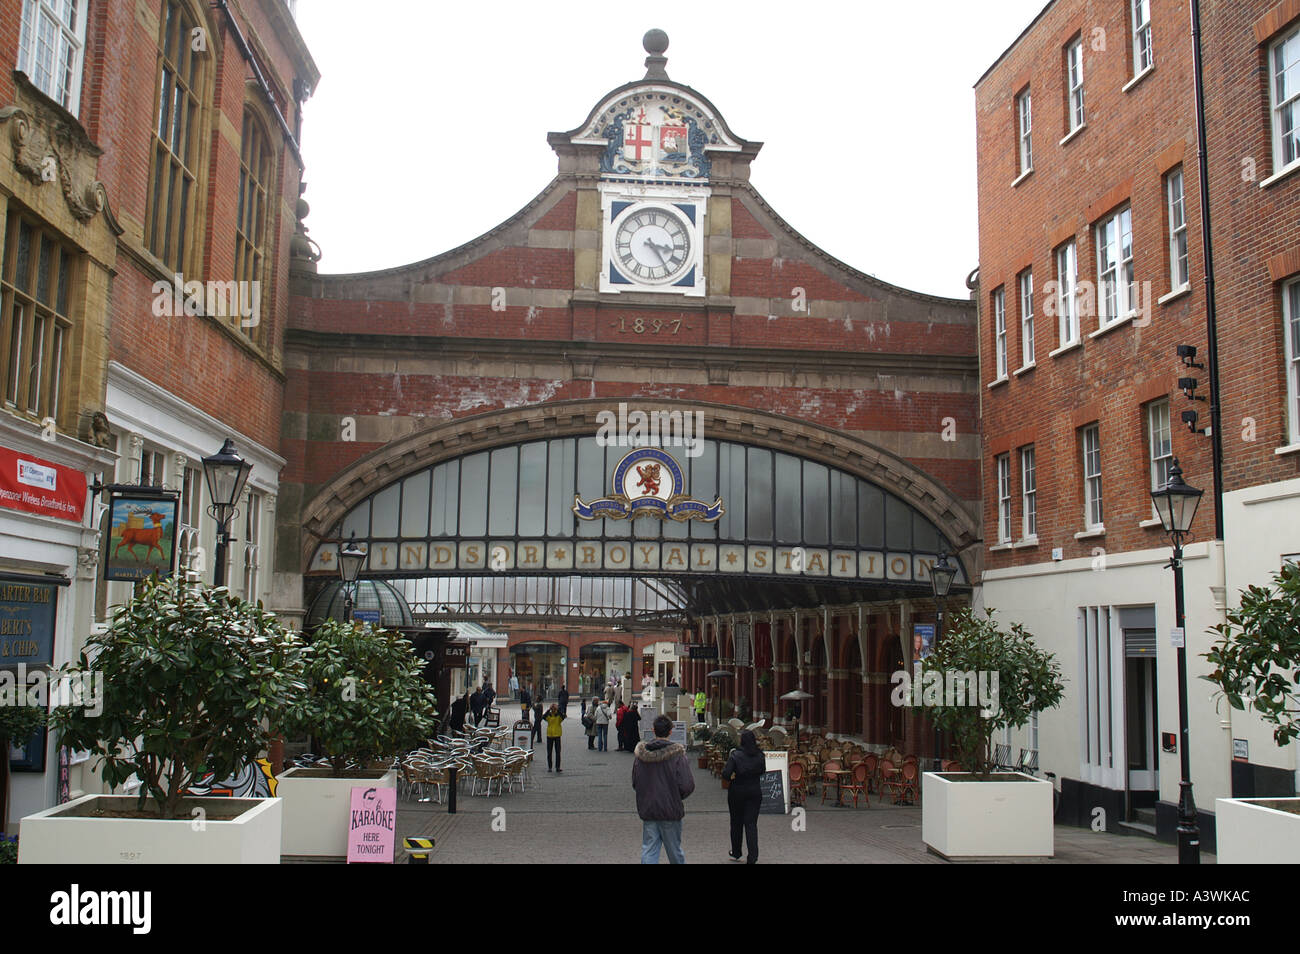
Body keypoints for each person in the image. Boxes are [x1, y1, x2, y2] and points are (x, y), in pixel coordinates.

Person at [632, 714, 696, 864]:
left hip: (649, 808)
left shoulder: (641, 756)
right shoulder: (678, 756)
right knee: (674, 850)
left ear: (653, 731)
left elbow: (635, 782)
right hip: (670, 809)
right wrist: (675, 795)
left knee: (649, 848)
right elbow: (687, 785)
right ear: (670, 731)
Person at [722, 730, 765, 863]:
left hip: (737, 791)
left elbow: (726, 774)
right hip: (754, 790)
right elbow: (763, 770)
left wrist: (733, 777)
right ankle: (752, 856)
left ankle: (736, 852)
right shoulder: (760, 755)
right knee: (751, 824)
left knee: (736, 822)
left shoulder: (736, 755)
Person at [543, 703, 565, 772]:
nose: (553, 710)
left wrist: (557, 710)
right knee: (552, 752)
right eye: (552, 708)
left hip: (555, 735)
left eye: (553, 708)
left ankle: (556, 767)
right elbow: (543, 717)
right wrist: (549, 710)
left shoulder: (558, 716)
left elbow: (563, 716)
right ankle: (552, 767)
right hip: (551, 734)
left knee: (556, 752)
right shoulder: (549, 716)